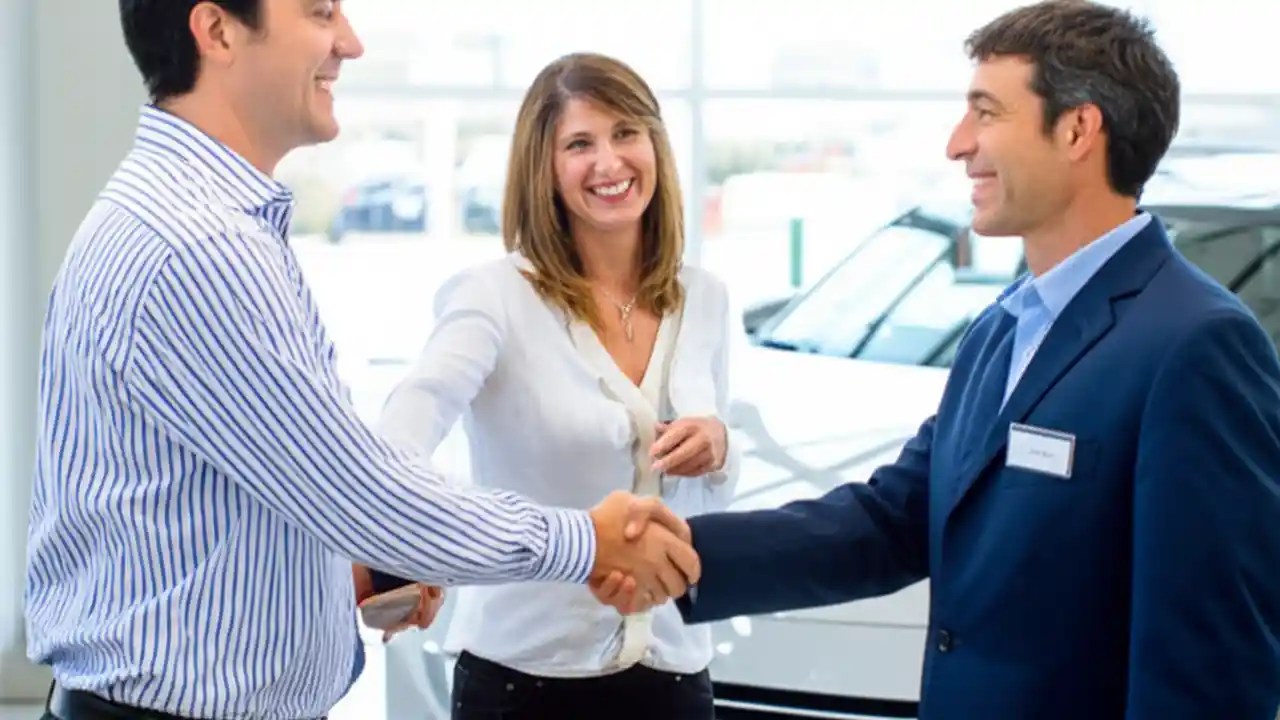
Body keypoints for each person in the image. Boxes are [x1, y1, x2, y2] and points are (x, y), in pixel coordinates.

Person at [600, 2, 1280, 718]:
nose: (958, 144)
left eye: (986, 113)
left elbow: (1211, 677)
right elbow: (895, 519)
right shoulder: (1003, 327)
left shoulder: (1197, 346)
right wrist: (686, 553)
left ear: (1079, 129)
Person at [26, 3, 698, 719]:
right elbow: (361, 490)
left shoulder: (193, 219)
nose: (350, 42)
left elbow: (259, 485)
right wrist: (586, 540)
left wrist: (354, 562)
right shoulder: (200, 246)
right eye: (320, 13)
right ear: (217, 30)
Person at [367, 52, 739, 720]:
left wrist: (718, 446)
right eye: (579, 144)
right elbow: (407, 423)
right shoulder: (496, 297)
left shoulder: (702, 298)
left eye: (626, 133)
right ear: (544, 167)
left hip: (676, 676)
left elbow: (710, 502)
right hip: (525, 683)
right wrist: (407, 544)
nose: (610, 162)